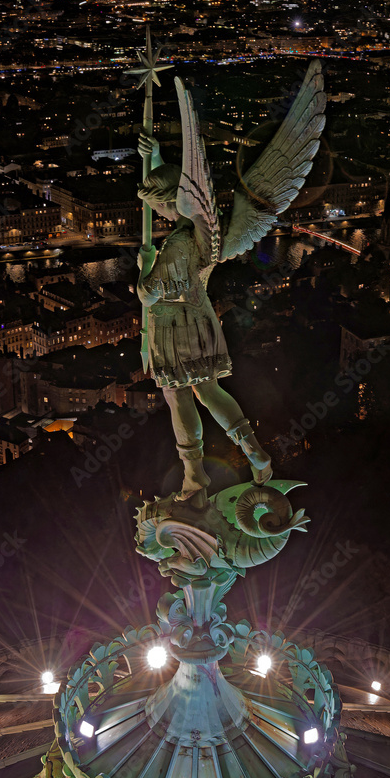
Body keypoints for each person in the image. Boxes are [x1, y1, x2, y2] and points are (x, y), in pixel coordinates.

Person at [136, 131, 271, 508]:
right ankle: (255, 452)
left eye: (160, 208)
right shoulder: (201, 234)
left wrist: (144, 266)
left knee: (178, 395)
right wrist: (157, 154)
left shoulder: (178, 244)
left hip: (176, 325)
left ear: (168, 204)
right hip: (201, 321)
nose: (160, 215)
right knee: (209, 390)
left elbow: (149, 293)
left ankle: (194, 470)